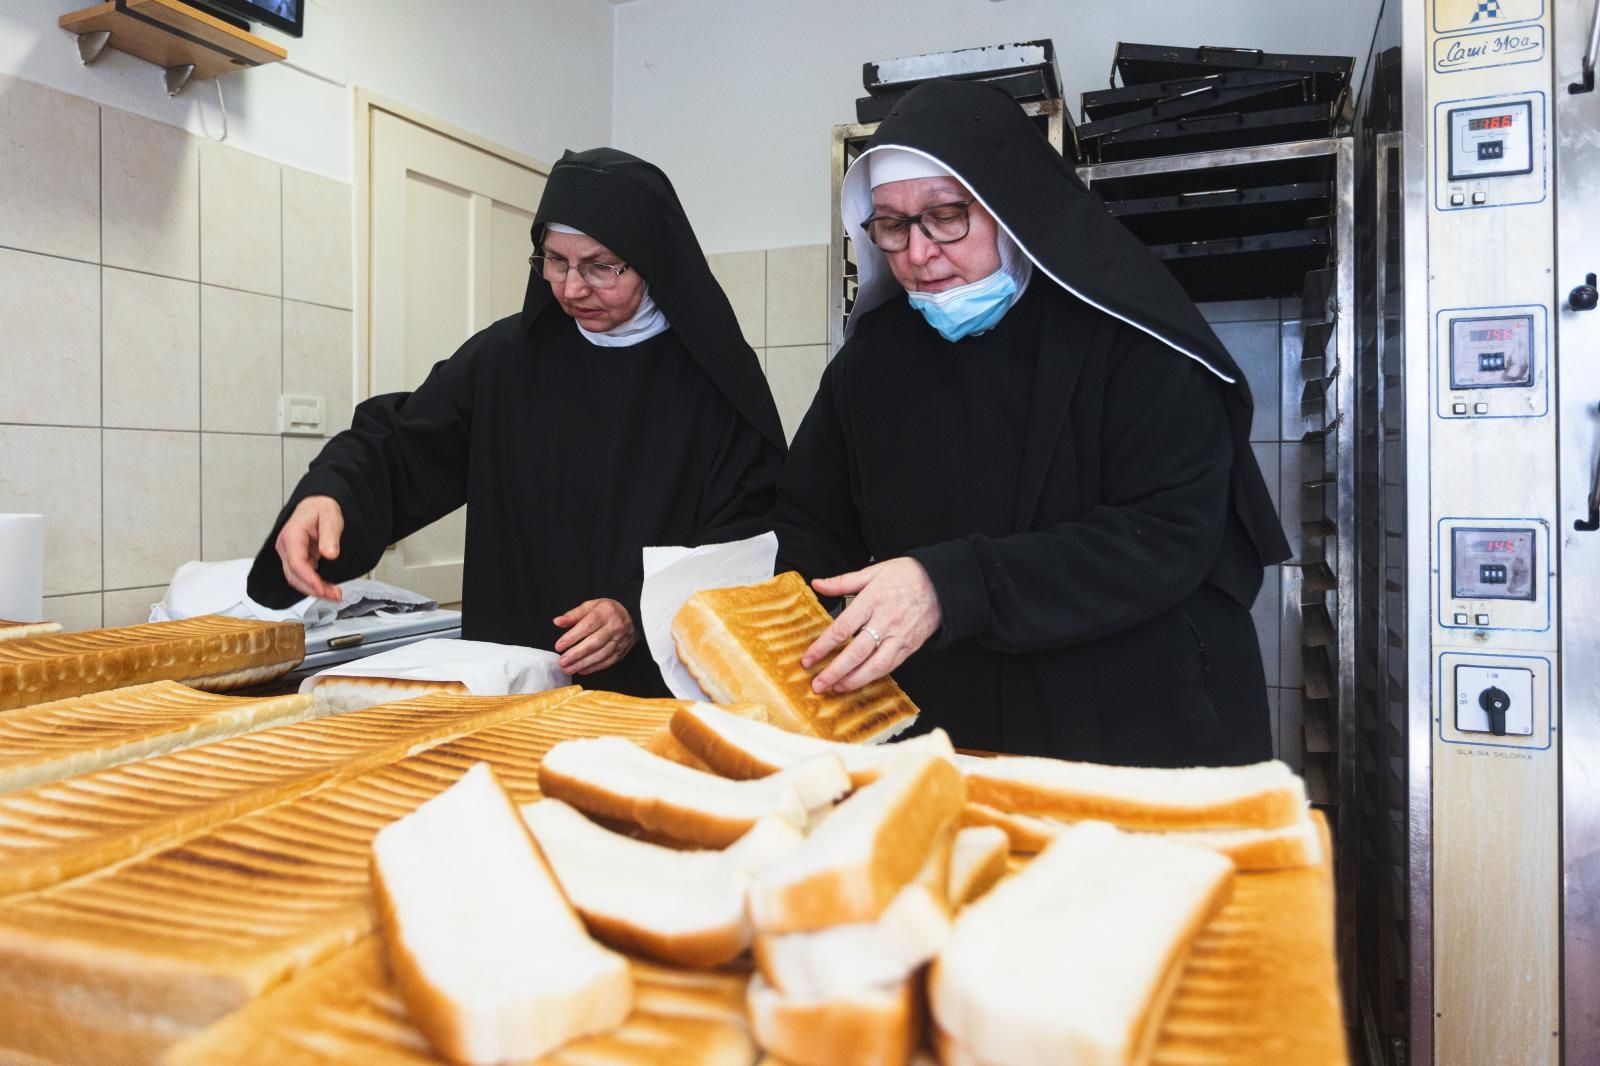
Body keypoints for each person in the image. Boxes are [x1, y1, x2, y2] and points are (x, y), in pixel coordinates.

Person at [773, 80, 1291, 767]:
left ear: (1011, 208)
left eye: (946, 216)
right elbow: (812, 527)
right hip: (951, 718)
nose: (917, 254)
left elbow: (1167, 535)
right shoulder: (871, 363)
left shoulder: (1128, 337)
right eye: (892, 225)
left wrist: (951, 584)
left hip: (1125, 713)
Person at [247, 148, 786, 697]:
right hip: (511, 669)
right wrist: (331, 493)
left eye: (601, 266)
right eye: (555, 262)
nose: (574, 288)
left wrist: (636, 609)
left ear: (653, 260)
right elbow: (404, 442)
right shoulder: (507, 358)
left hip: (652, 685)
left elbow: (745, 539)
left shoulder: (714, 379)